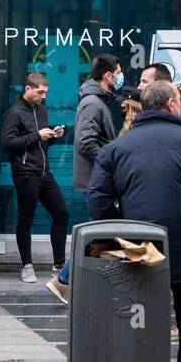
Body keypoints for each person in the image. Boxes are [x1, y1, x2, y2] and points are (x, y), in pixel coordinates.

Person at [86, 81, 181, 362]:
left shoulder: (118, 147)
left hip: (138, 252)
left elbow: (97, 201)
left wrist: (124, 236)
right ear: (172, 106)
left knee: (138, 320)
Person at [54, 54, 124, 293]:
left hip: (98, 180)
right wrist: (110, 163)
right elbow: (85, 143)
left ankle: (72, 280)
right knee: (102, 233)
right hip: (97, 180)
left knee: (104, 233)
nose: (121, 77)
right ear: (108, 75)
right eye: (119, 72)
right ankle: (63, 279)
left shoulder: (97, 101)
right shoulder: (94, 103)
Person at [0, 73, 68, 285]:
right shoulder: (14, 112)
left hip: (44, 173)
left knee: (61, 214)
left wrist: (52, 136)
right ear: (28, 89)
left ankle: (58, 265)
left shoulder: (42, 110)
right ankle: (27, 265)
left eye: (45, 93)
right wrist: (38, 135)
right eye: (40, 92)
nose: (43, 97)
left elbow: (39, 144)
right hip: (25, 173)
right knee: (26, 220)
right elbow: (8, 143)